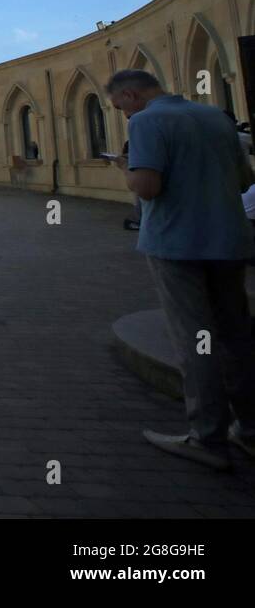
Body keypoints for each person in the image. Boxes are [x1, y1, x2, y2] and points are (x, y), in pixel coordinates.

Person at [107, 69, 255, 469]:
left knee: (196, 339)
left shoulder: (146, 121)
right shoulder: (215, 118)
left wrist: (125, 168)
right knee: (236, 336)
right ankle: (250, 430)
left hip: (178, 244)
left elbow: (148, 187)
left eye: (121, 107)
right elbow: (245, 181)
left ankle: (207, 438)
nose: (124, 115)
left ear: (132, 95)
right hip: (230, 240)